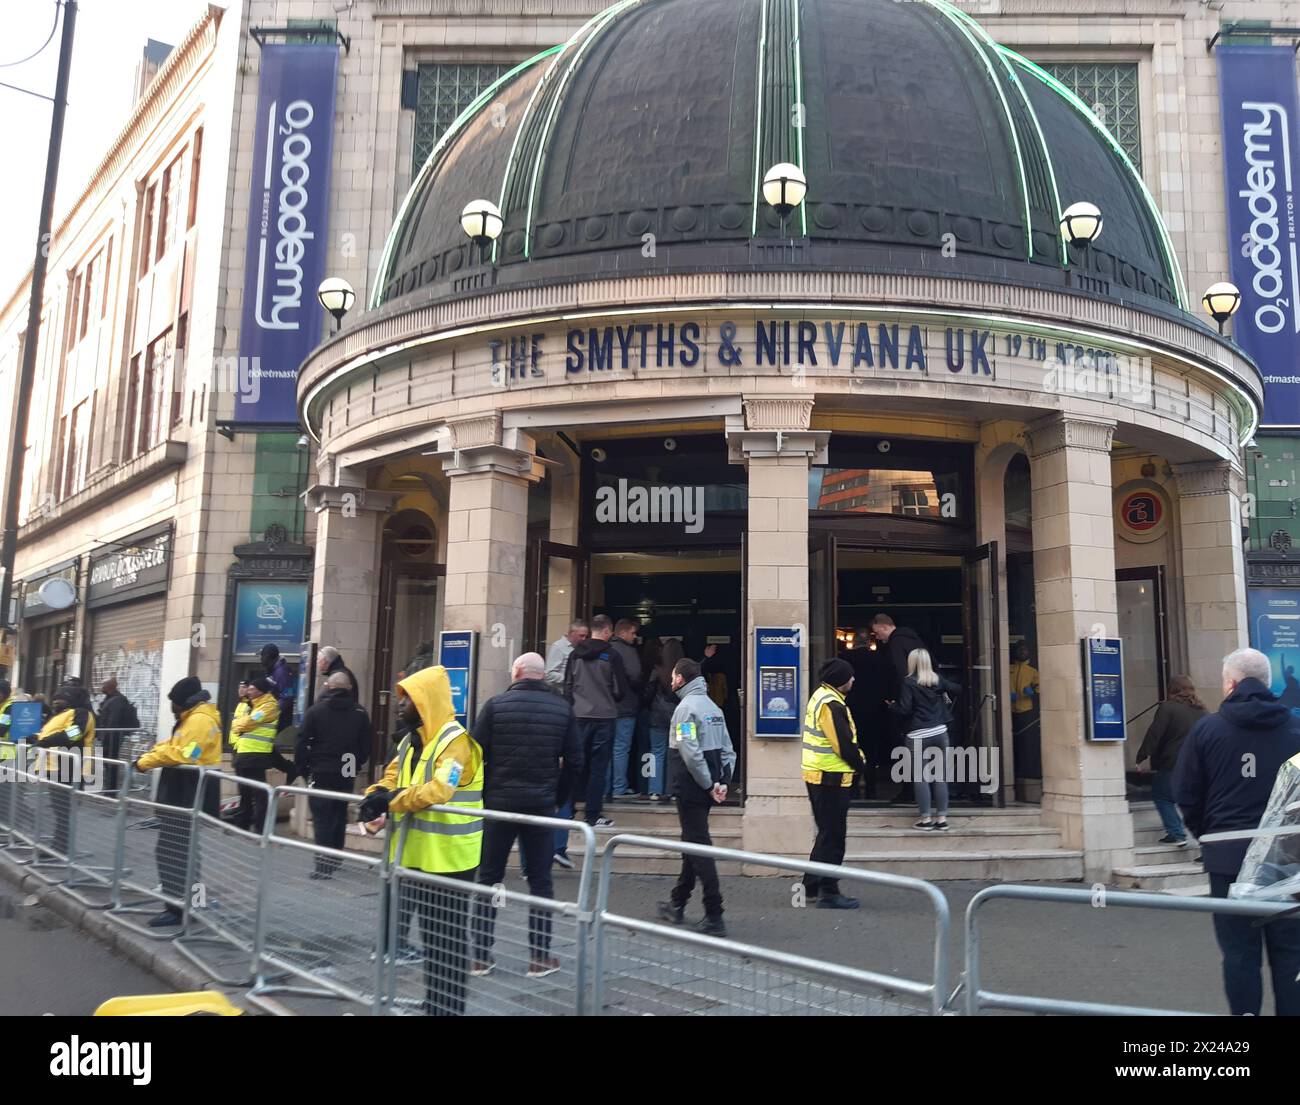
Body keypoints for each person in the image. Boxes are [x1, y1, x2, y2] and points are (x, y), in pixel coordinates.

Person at [1175, 648, 1300, 1016]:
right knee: (1291, 954)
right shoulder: (1294, 730)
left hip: (1227, 857)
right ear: (1267, 683)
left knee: (1239, 953)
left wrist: (1208, 835)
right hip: (1288, 861)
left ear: (1229, 683)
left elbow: (1186, 793)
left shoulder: (1208, 729)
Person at [358, 665, 483, 1016]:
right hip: (417, 857)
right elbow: (392, 776)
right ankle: (435, 1002)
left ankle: (449, 1008)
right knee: (432, 938)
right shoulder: (411, 740)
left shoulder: (455, 741)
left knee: (449, 940)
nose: (400, 706)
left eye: (407, 699)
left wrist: (391, 800)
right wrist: (374, 796)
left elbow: (442, 788)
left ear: (426, 702)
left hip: (451, 860)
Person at [470, 652, 582, 978]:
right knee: (540, 882)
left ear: (517, 672)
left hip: (499, 804)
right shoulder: (563, 709)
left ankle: (480, 955)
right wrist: (557, 798)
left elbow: (475, 753)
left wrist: (487, 792)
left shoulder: (494, 705)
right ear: (543, 676)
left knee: (490, 878)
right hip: (540, 806)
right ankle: (539, 957)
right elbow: (575, 761)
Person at [132, 677, 223, 928]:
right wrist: (154, 750)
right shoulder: (194, 717)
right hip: (186, 792)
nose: (170, 707)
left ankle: (178, 909)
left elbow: (184, 753)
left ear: (182, 701)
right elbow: (177, 746)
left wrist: (144, 762)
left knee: (173, 851)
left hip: (188, 792)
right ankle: (187, 904)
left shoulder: (199, 720)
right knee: (183, 851)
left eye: (172, 701)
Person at [655, 657, 736, 936]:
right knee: (692, 842)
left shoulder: (684, 710)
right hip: (708, 786)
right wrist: (722, 782)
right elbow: (728, 750)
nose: (671, 681)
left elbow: (689, 751)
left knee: (699, 847)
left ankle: (715, 913)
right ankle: (677, 903)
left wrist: (706, 784)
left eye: (674, 676)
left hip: (690, 788)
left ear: (681, 679)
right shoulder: (714, 708)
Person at [801, 658, 867, 908]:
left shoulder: (821, 696)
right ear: (841, 681)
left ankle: (811, 885)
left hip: (819, 775)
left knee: (826, 833)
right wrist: (861, 764)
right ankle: (829, 892)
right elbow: (842, 745)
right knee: (834, 836)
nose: (853, 680)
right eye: (850, 677)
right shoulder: (832, 704)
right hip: (831, 777)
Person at [295, 671, 372, 878]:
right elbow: (366, 746)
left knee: (322, 816)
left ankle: (323, 864)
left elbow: (301, 742)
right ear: (349, 688)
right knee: (339, 813)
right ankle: (336, 856)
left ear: (328, 687)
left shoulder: (315, 711)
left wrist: (304, 768)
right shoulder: (360, 713)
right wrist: (355, 764)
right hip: (347, 769)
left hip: (321, 770)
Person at [564, 613, 627, 828]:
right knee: (598, 767)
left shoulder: (574, 655)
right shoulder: (612, 655)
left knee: (575, 764)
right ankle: (592, 814)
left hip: (579, 716)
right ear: (608, 631)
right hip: (605, 716)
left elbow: (567, 686)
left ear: (592, 630)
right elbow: (620, 690)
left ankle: (568, 809)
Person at [888, 648, 961, 831]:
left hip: (918, 734)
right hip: (940, 732)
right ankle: (942, 819)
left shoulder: (909, 682)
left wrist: (892, 707)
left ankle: (926, 819)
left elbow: (905, 709)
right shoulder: (938, 680)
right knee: (940, 778)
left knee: (921, 777)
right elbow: (957, 688)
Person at [1136, 675, 1205, 847]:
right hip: (1198, 764)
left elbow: (1155, 734)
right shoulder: (1202, 710)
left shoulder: (1168, 708)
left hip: (1174, 763)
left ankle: (1176, 833)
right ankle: (1206, 846)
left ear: (1172, 689)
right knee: (1192, 802)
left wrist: (1142, 756)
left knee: (1162, 796)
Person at [33, 684, 96, 856]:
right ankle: (59, 846)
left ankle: (60, 848)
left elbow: (74, 734)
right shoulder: (59, 716)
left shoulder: (81, 713)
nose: (55, 702)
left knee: (64, 810)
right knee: (59, 810)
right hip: (55, 768)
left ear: (71, 699)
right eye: (54, 699)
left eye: (60, 699)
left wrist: (45, 742)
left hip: (69, 768)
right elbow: (45, 735)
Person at [871, 613, 927, 803]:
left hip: (907, 707)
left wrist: (898, 703)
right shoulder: (915, 640)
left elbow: (900, 673)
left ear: (883, 626)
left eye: (876, 632)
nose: (876, 636)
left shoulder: (895, 643)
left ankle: (909, 791)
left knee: (905, 748)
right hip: (924, 705)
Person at [230, 674, 279, 833]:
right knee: (245, 792)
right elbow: (242, 724)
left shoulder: (268, 706)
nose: (249, 691)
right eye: (248, 688)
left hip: (256, 754)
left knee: (260, 794)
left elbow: (250, 722)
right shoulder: (254, 705)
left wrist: (238, 725)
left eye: (252, 689)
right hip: (244, 753)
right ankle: (244, 825)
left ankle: (261, 829)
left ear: (261, 691)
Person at [644, 638, 683, 802]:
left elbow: (648, 694)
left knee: (656, 753)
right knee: (678, 753)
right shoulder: (683, 673)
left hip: (658, 716)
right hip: (681, 718)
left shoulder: (657, 670)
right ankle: (674, 790)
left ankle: (654, 790)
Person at [609, 618, 644, 799]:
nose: (634, 636)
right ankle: (619, 787)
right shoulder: (627, 650)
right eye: (632, 632)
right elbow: (636, 675)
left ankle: (604, 788)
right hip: (626, 705)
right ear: (622, 633)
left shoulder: (607, 648)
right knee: (621, 747)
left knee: (607, 748)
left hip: (607, 706)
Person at [96, 679, 139, 795]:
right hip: (110, 736)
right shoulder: (111, 699)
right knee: (109, 762)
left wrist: (105, 735)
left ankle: (111, 790)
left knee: (111, 763)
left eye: (103, 685)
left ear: (110, 686)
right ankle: (110, 788)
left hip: (112, 737)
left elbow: (113, 721)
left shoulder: (117, 700)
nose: (101, 687)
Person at [261, 644, 297, 734]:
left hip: (279, 717)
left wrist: (273, 711)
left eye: (262, 655)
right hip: (270, 713)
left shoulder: (281, 672)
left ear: (268, 656)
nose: (260, 659)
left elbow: (287, 696)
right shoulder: (272, 670)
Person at [545, 620, 588, 687]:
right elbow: (549, 674)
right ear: (571, 633)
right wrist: (570, 678)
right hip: (561, 693)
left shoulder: (581, 647)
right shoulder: (558, 647)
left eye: (585, 636)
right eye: (581, 636)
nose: (584, 639)